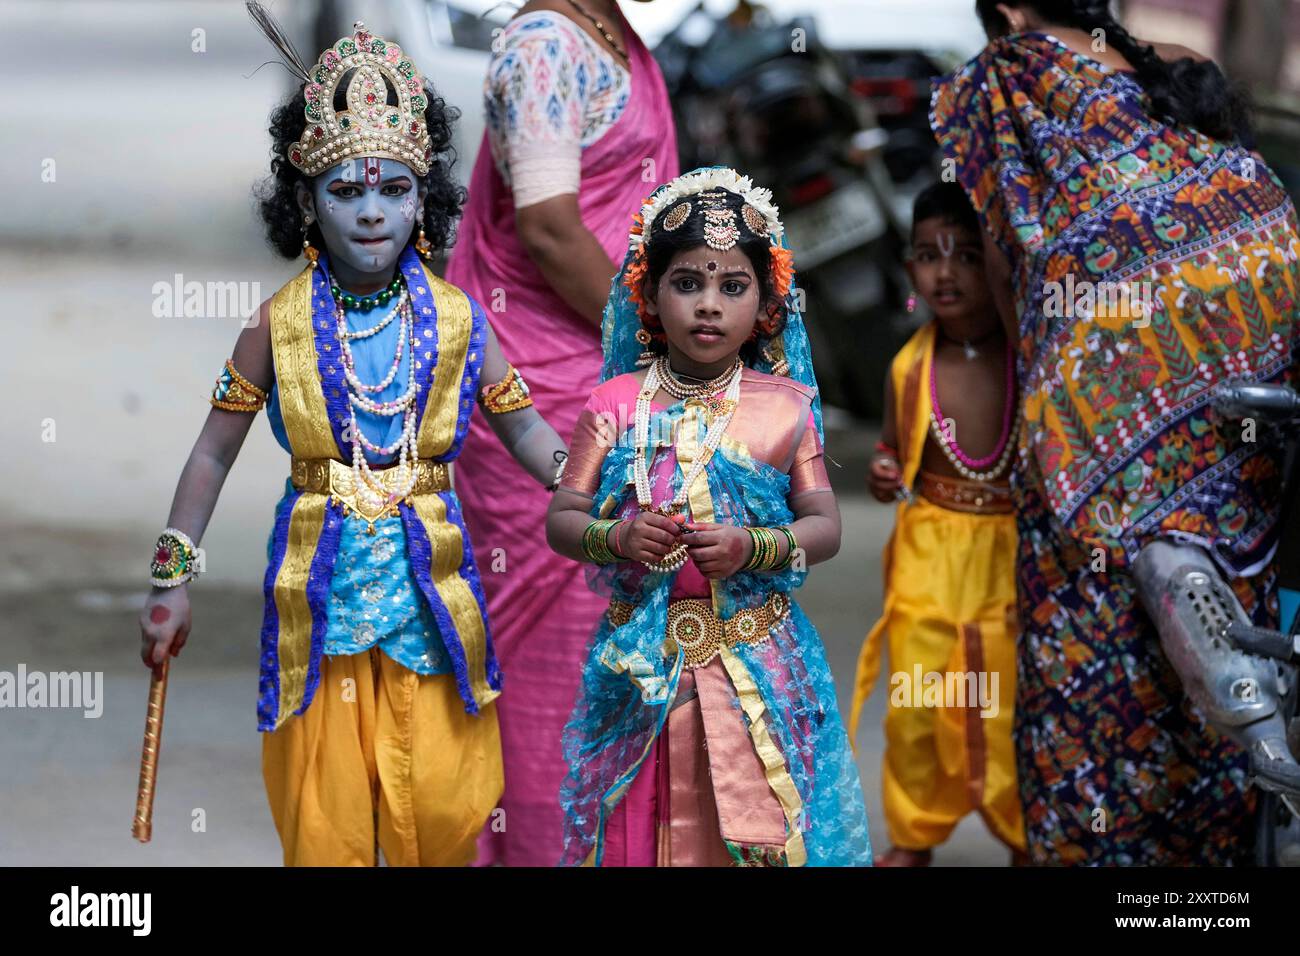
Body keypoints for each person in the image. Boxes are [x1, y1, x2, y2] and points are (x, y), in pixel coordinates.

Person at [137, 11, 567, 866]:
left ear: (425, 198)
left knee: (447, 808)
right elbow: (212, 452)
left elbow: (523, 427)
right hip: (318, 612)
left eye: (395, 189)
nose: (372, 213)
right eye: (345, 191)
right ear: (305, 201)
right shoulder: (278, 326)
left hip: (432, 607)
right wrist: (171, 575)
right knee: (327, 825)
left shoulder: (458, 323)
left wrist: (588, 482)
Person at [931, 0, 1300, 864]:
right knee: (1227, 522)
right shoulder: (1161, 53)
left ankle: (1121, 841)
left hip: (1115, 308)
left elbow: (1004, 247)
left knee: (1094, 605)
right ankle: (1238, 705)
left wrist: (1047, 401)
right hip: (1258, 260)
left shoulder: (1001, 71)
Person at [546, 167, 872, 866]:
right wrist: (618, 537)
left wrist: (754, 547)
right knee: (644, 826)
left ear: (766, 304)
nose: (709, 306)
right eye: (687, 282)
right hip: (645, 672)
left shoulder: (784, 407)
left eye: (733, 287)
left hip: (759, 664)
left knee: (761, 832)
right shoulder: (614, 404)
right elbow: (563, 518)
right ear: (649, 296)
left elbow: (825, 526)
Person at [443, 0, 679, 865]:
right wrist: (665, 340)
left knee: (609, 665)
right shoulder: (545, 48)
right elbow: (548, 227)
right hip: (540, 401)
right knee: (544, 673)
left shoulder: (610, 35)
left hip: (609, 390)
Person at [850, 182, 1026, 867]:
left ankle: (1021, 830)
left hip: (1008, 547)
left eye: (965, 254)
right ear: (908, 270)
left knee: (1007, 699)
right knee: (918, 696)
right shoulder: (909, 365)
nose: (944, 272)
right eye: (927, 255)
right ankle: (915, 834)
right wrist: (884, 472)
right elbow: (894, 448)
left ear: (999, 263)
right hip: (929, 544)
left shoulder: (1026, 359)